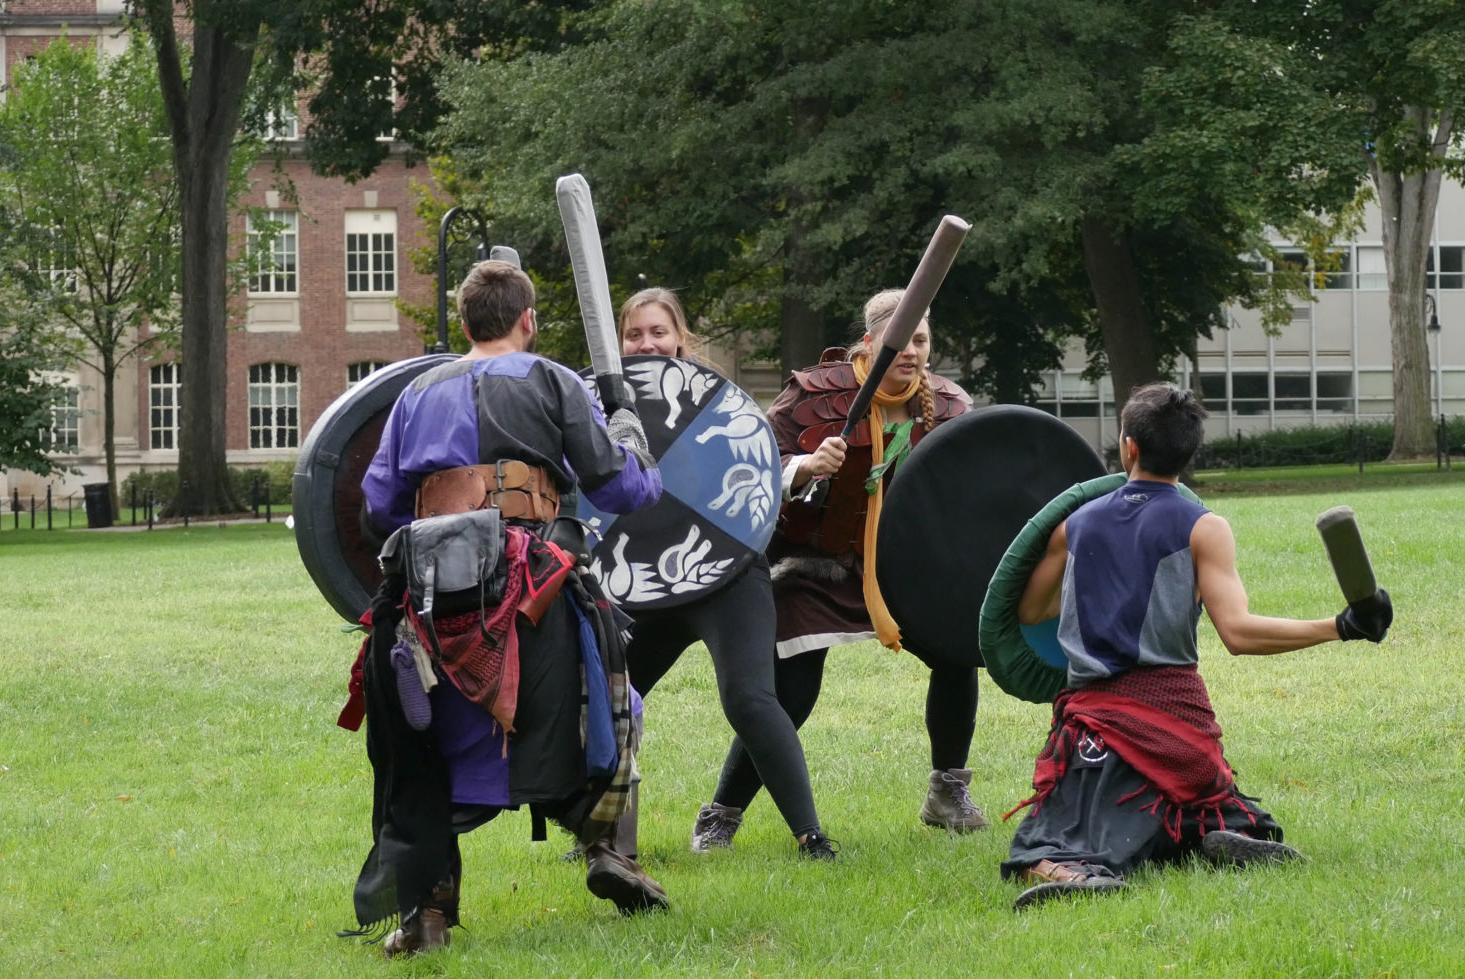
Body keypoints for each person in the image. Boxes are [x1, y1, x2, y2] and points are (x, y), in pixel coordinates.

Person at [344, 260, 669, 957]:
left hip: (432, 598)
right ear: (528, 321)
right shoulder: (554, 380)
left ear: (463, 324)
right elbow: (618, 486)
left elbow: (377, 508)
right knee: (607, 701)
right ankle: (610, 849)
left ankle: (427, 912)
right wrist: (634, 439)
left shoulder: (415, 392)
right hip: (532, 586)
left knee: (426, 738)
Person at [1003, 382, 1392, 911]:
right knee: (1213, 803)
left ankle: (1078, 873)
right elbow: (1238, 632)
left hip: (1099, 730)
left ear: (1129, 447)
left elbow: (1029, 612)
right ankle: (1211, 835)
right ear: (1189, 453)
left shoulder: (1076, 524)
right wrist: (1340, 626)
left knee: (1042, 842)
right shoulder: (1204, 527)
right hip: (1185, 734)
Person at [692, 288, 987, 851]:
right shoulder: (814, 396)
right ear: (871, 341)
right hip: (816, 563)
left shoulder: (949, 407)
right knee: (792, 690)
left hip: (905, 565)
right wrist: (803, 467)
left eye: (921, 340)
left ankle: (947, 791)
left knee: (957, 649)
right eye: (901, 341)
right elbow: (749, 464)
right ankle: (722, 813)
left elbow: (968, 492)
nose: (912, 352)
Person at [610, 288, 837, 859]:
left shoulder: (715, 406)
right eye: (634, 334)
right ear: (618, 343)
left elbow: (758, 462)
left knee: (751, 699)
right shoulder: (598, 409)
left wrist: (804, 468)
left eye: (658, 332)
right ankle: (601, 835)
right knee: (607, 699)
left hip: (726, 575)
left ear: (681, 339)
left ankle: (812, 837)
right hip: (642, 583)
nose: (647, 344)